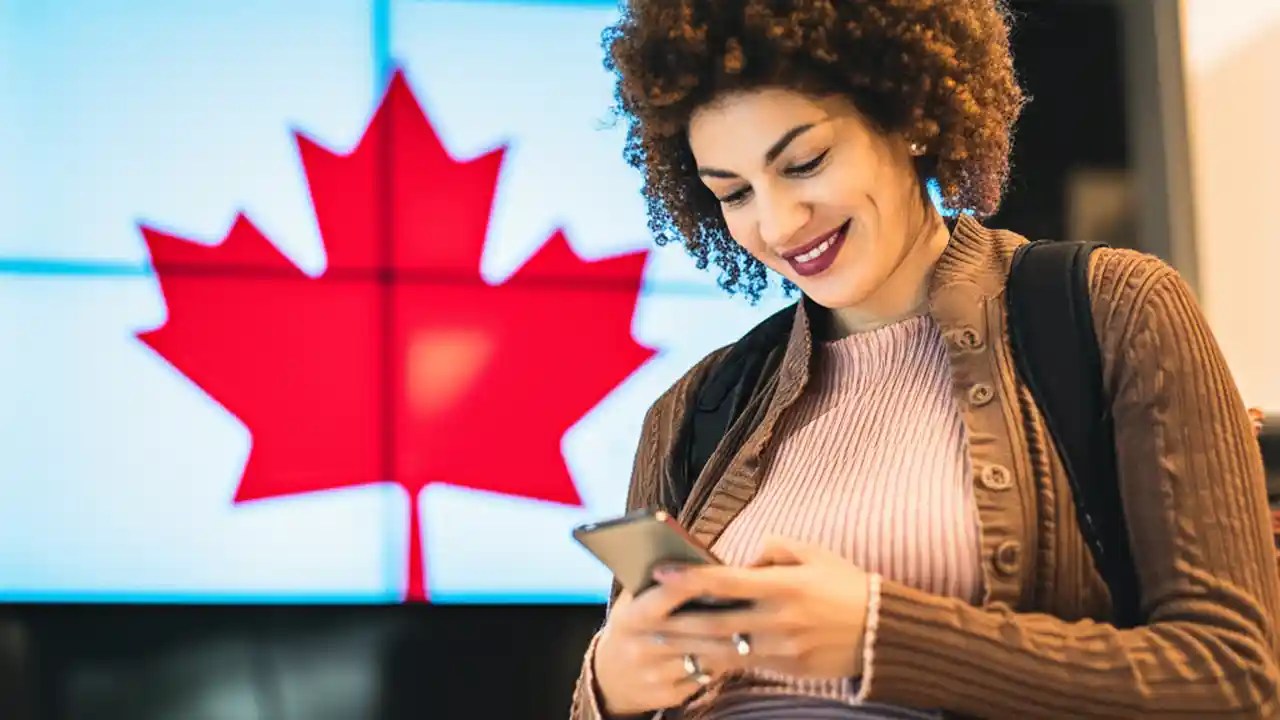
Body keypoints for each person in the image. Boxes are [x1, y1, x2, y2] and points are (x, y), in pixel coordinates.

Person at [569, 0, 1280, 718]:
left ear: (909, 118)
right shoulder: (692, 409)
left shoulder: (1113, 307)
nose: (779, 223)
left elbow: (1234, 678)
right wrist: (609, 687)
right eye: (735, 192)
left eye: (806, 163)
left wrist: (880, 637)